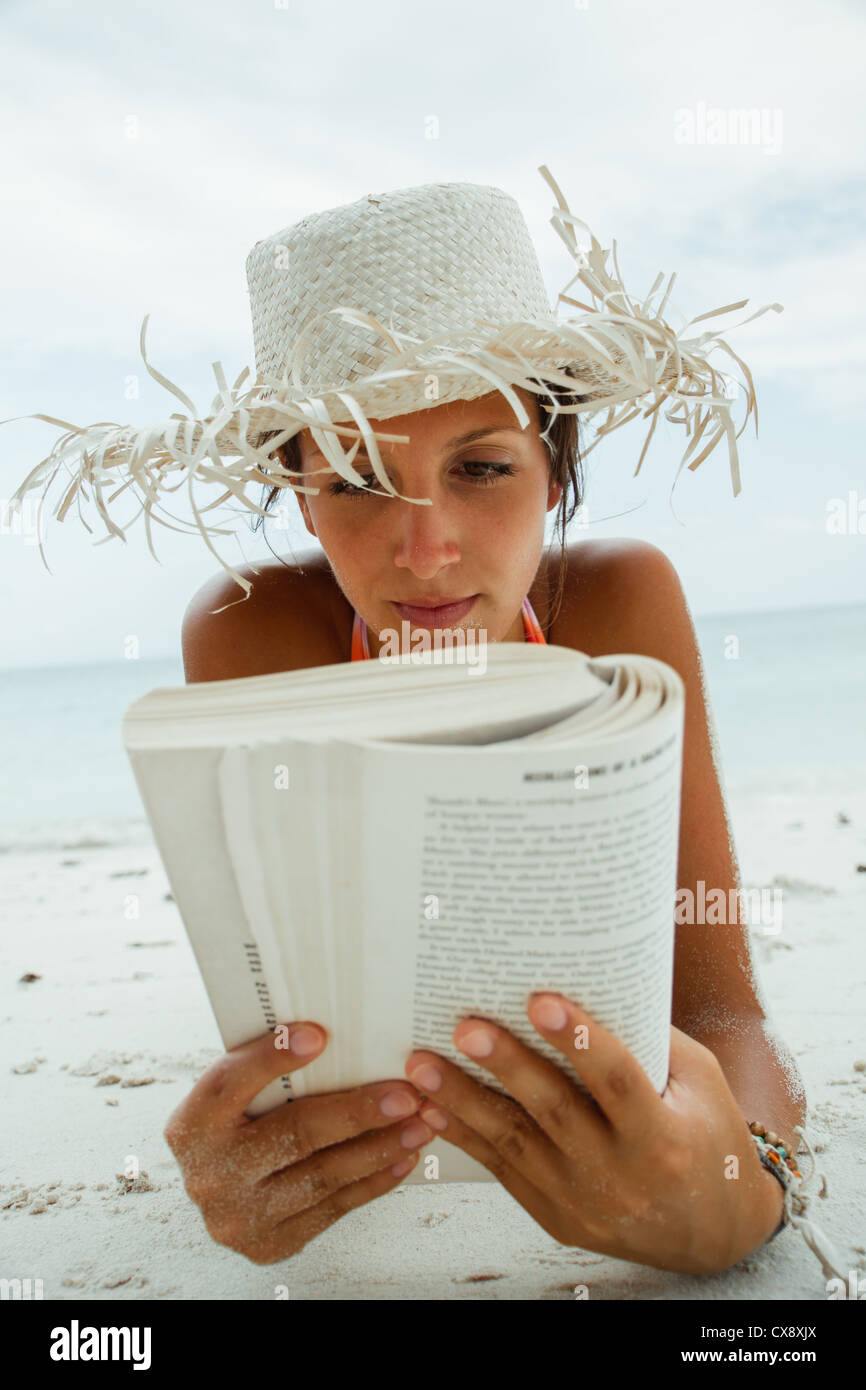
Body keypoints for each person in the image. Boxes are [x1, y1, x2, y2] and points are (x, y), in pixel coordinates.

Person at [10, 164, 833, 1277]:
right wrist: (249, 1159)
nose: (425, 547)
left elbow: (723, 1014)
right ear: (298, 493)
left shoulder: (618, 605)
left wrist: (740, 1191)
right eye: (353, 478)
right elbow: (294, 1049)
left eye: (481, 467)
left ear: (555, 473)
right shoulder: (252, 636)